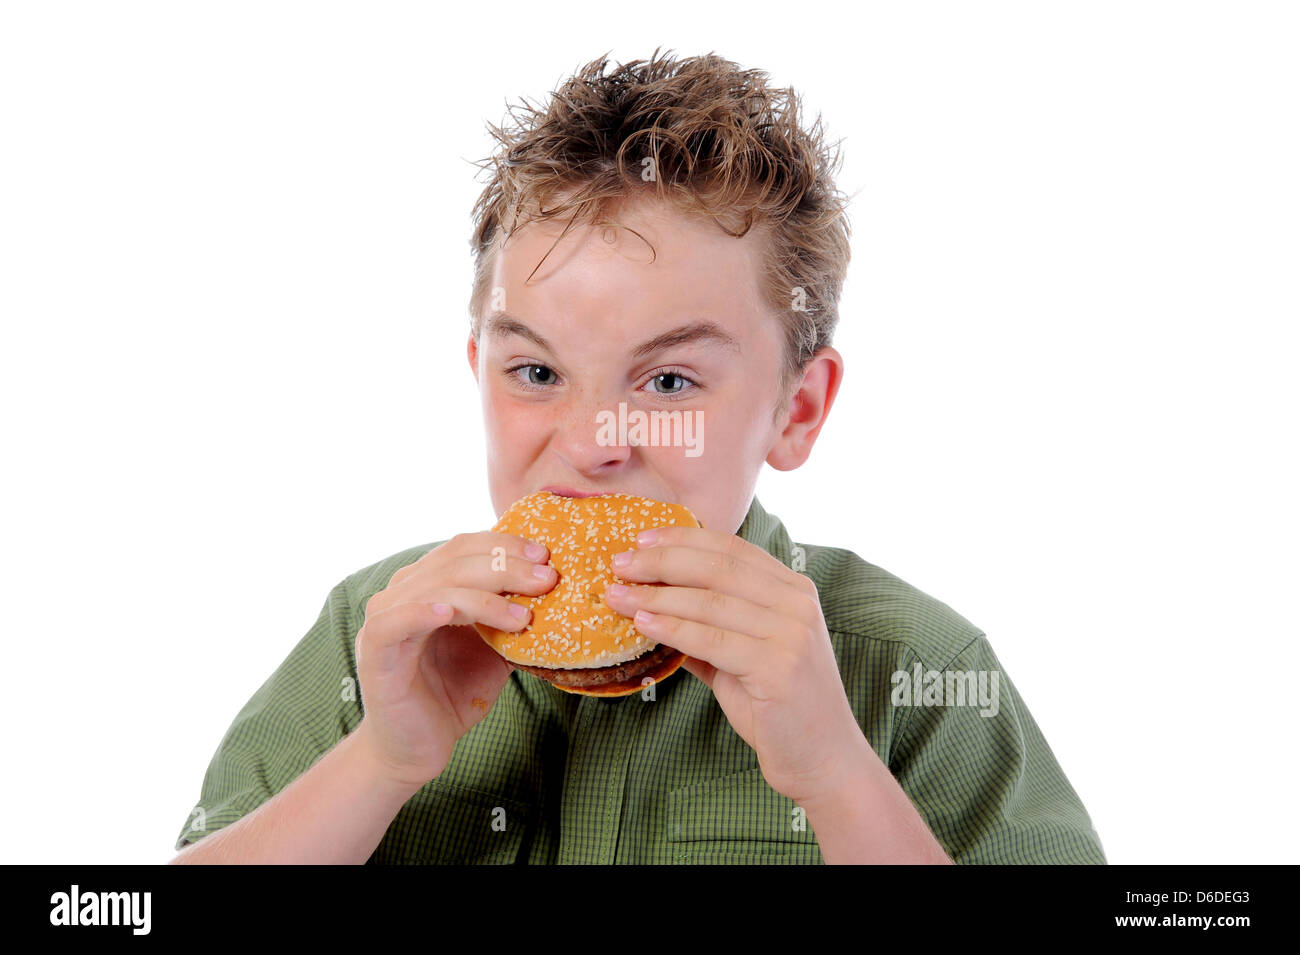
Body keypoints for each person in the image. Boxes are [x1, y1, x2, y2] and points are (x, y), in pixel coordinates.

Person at [171, 49, 1105, 864]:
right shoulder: (377, 637)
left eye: (668, 384)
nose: (589, 446)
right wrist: (381, 761)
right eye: (535, 370)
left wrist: (836, 774)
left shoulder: (912, 666)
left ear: (797, 409)